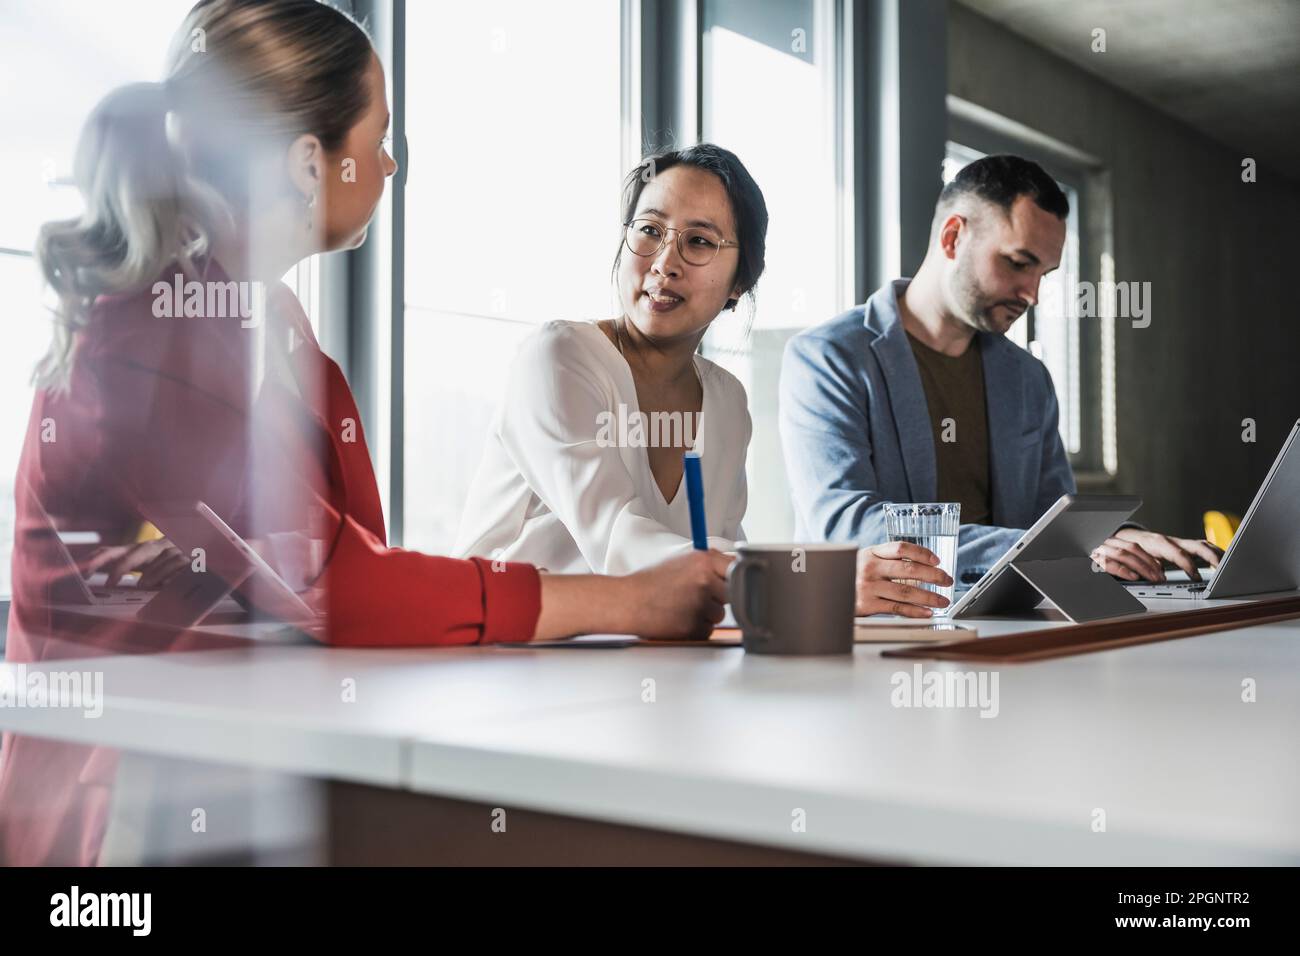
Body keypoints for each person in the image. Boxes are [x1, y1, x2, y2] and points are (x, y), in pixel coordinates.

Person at [1, 0, 721, 866]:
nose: (387, 164)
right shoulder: (151, 338)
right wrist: (628, 600)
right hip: (122, 814)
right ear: (310, 163)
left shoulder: (269, 325)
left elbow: (335, 568)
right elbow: (331, 580)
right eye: (379, 139)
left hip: (231, 772)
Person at [454, 145, 951, 614]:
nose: (665, 264)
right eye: (649, 230)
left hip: (641, 662)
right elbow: (616, 542)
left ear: (739, 283)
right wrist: (818, 581)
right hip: (506, 659)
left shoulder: (727, 401)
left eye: (698, 242)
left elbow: (716, 559)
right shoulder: (559, 357)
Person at [780, 154, 1222, 587]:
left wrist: (1120, 539)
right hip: (890, 628)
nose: (1032, 295)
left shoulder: (1030, 379)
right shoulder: (827, 358)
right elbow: (845, 530)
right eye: (1017, 262)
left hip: (1024, 621)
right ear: (953, 238)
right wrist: (1039, 548)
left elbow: (1053, 518)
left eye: (1044, 273)